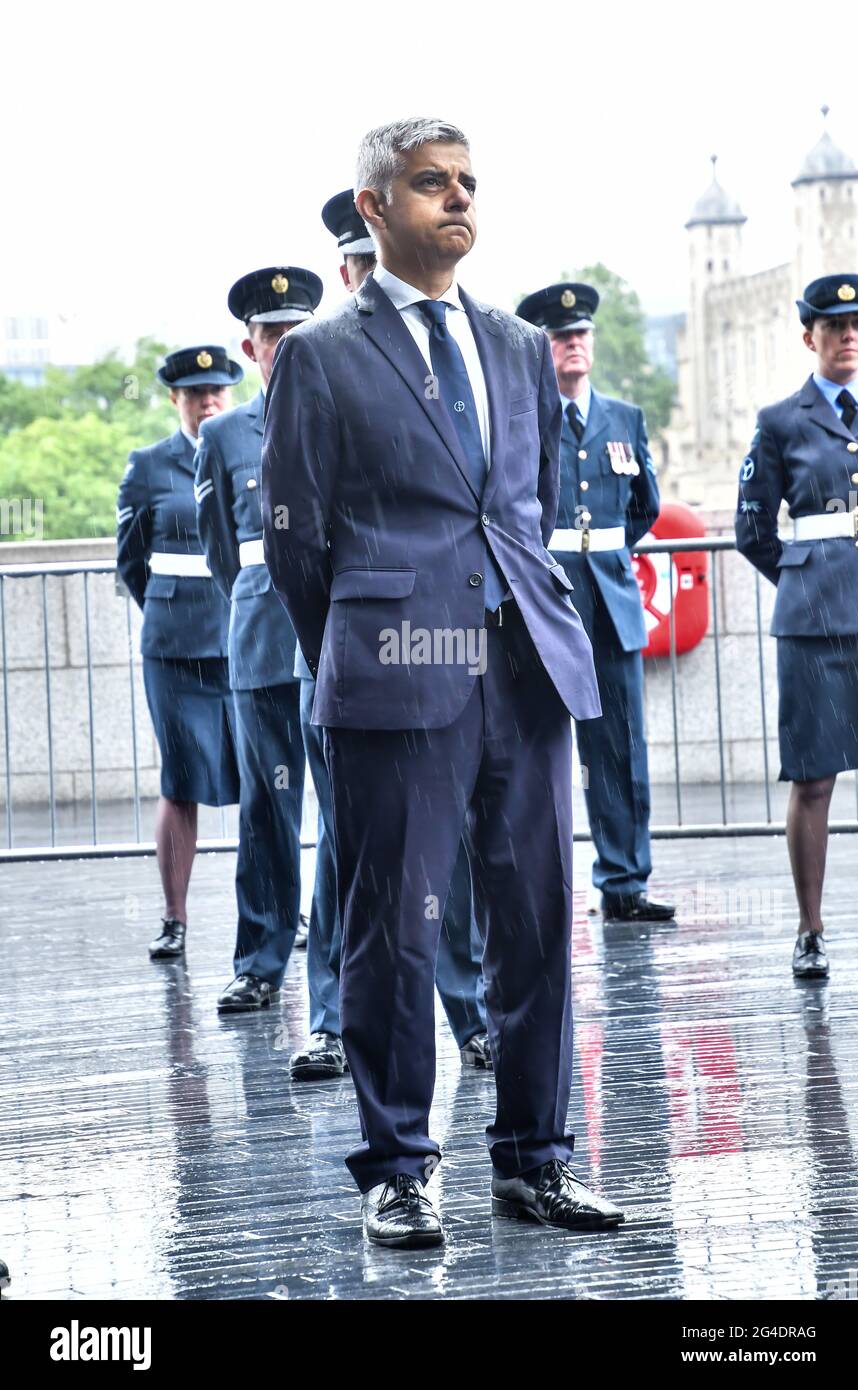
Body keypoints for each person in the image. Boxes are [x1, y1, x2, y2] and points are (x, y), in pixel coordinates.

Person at [263, 118, 624, 1248]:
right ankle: (400, 1168)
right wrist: (362, 647)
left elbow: (519, 505)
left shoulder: (518, 346)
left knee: (535, 923)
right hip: (394, 678)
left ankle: (534, 1162)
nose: (457, 199)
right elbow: (296, 542)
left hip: (522, 671)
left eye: (467, 182)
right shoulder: (321, 355)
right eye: (430, 183)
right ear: (373, 207)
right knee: (395, 931)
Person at [289, 189, 490, 1081]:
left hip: (465, 654)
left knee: (457, 863)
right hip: (356, 658)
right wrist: (343, 643)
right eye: (367, 269)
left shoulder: (483, 355)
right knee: (361, 862)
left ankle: (470, 1010)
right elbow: (295, 540)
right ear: (351, 268)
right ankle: (332, 1016)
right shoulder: (323, 361)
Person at [516, 283, 675, 925]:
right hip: (549, 601)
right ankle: (535, 883)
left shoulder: (625, 419)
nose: (573, 343)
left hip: (610, 601)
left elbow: (645, 508)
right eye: (560, 336)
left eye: (581, 333)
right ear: (541, 349)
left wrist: (602, 554)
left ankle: (624, 881)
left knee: (620, 750)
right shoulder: (522, 418)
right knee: (536, 749)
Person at [195, 267, 322, 1012]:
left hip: (333, 640)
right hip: (261, 639)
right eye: (273, 334)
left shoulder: (342, 413)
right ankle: (261, 961)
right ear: (251, 347)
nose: (285, 344)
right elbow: (221, 550)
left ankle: (341, 986)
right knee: (266, 811)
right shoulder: (221, 435)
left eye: (296, 332)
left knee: (342, 816)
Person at [736, 272, 858, 980]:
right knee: (814, 781)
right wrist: (804, 576)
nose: (848, 335)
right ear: (808, 336)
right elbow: (752, 526)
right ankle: (811, 929)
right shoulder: (781, 419)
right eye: (834, 325)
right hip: (814, 622)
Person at [117, 346, 241, 959]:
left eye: (216, 390)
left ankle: (277, 917)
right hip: (173, 652)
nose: (207, 401)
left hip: (243, 642)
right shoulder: (148, 466)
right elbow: (130, 562)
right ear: (176, 400)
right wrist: (171, 611)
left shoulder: (250, 450)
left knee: (268, 783)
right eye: (195, 393)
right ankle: (174, 917)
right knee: (181, 779)